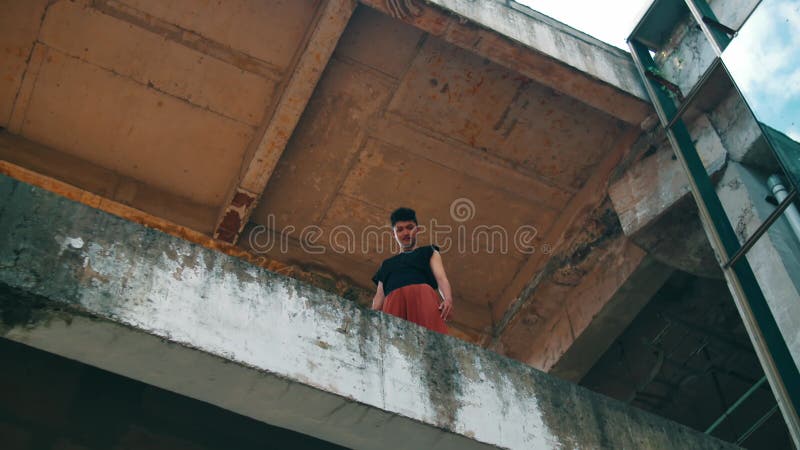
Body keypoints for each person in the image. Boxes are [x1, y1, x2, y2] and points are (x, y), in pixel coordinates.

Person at [371, 207, 453, 333]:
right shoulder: (386, 265)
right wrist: (371, 320)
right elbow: (378, 298)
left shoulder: (429, 251)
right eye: (400, 229)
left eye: (410, 227)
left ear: (418, 230)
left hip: (423, 298)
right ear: (394, 234)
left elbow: (441, 278)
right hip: (393, 303)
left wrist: (447, 299)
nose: (405, 233)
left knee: (430, 339)